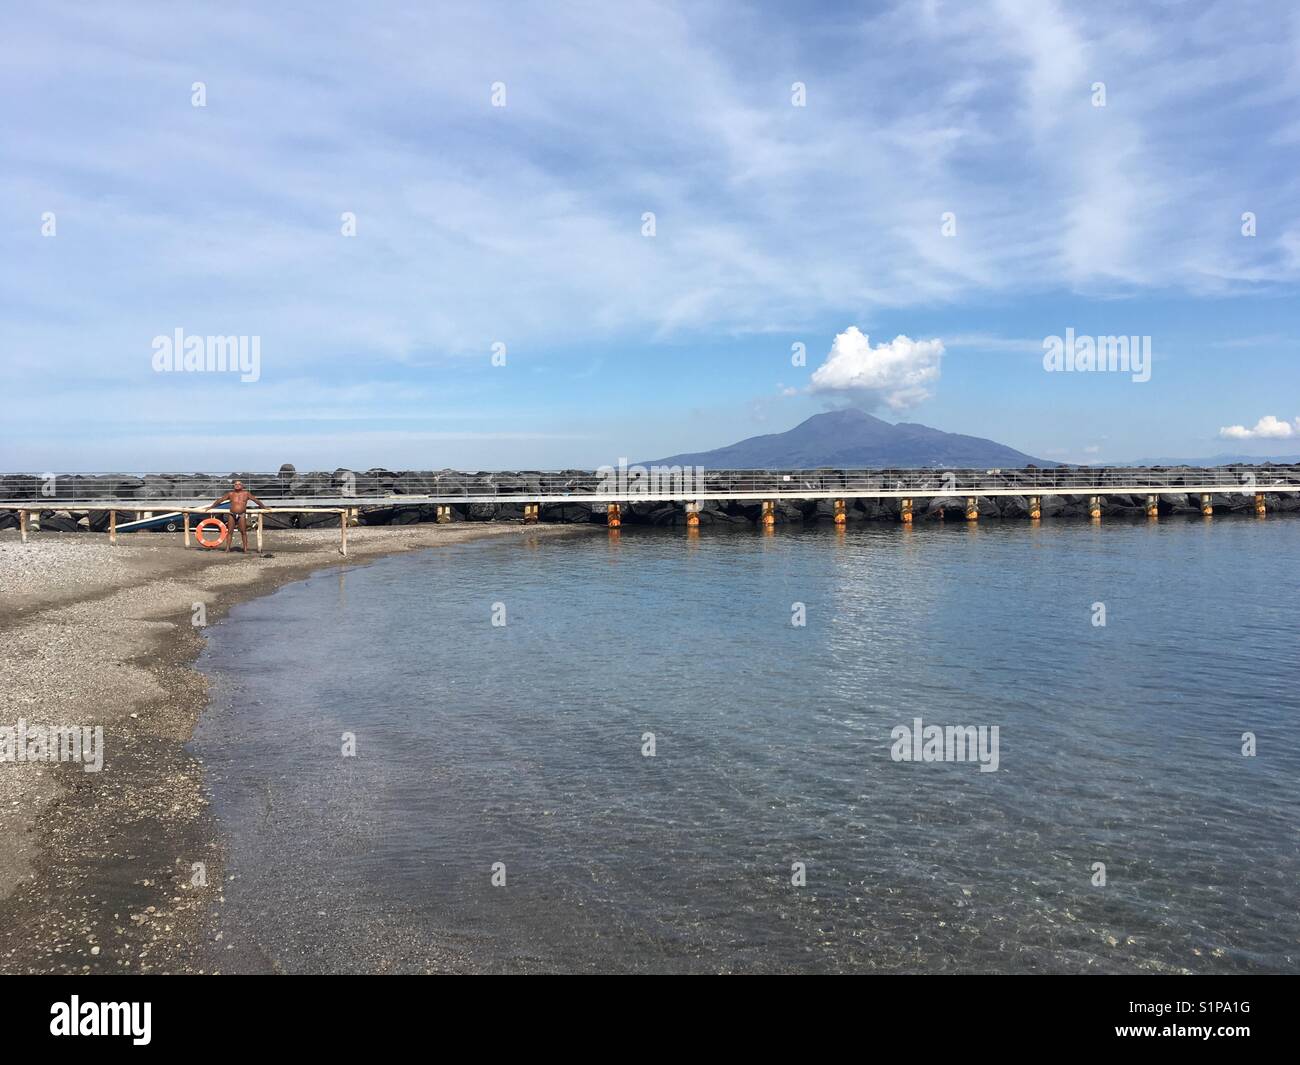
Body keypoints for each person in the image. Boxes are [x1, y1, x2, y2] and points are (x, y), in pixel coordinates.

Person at [209, 480, 266, 553]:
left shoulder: (246, 493)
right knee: (230, 532)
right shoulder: (231, 494)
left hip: (241, 514)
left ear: (242, 486)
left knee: (243, 532)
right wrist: (211, 507)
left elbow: (256, 500)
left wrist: (264, 507)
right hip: (232, 514)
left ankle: (245, 549)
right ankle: (227, 549)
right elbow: (220, 500)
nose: (237, 485)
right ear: (234, 486)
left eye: (239, 484)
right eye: (236, 484)